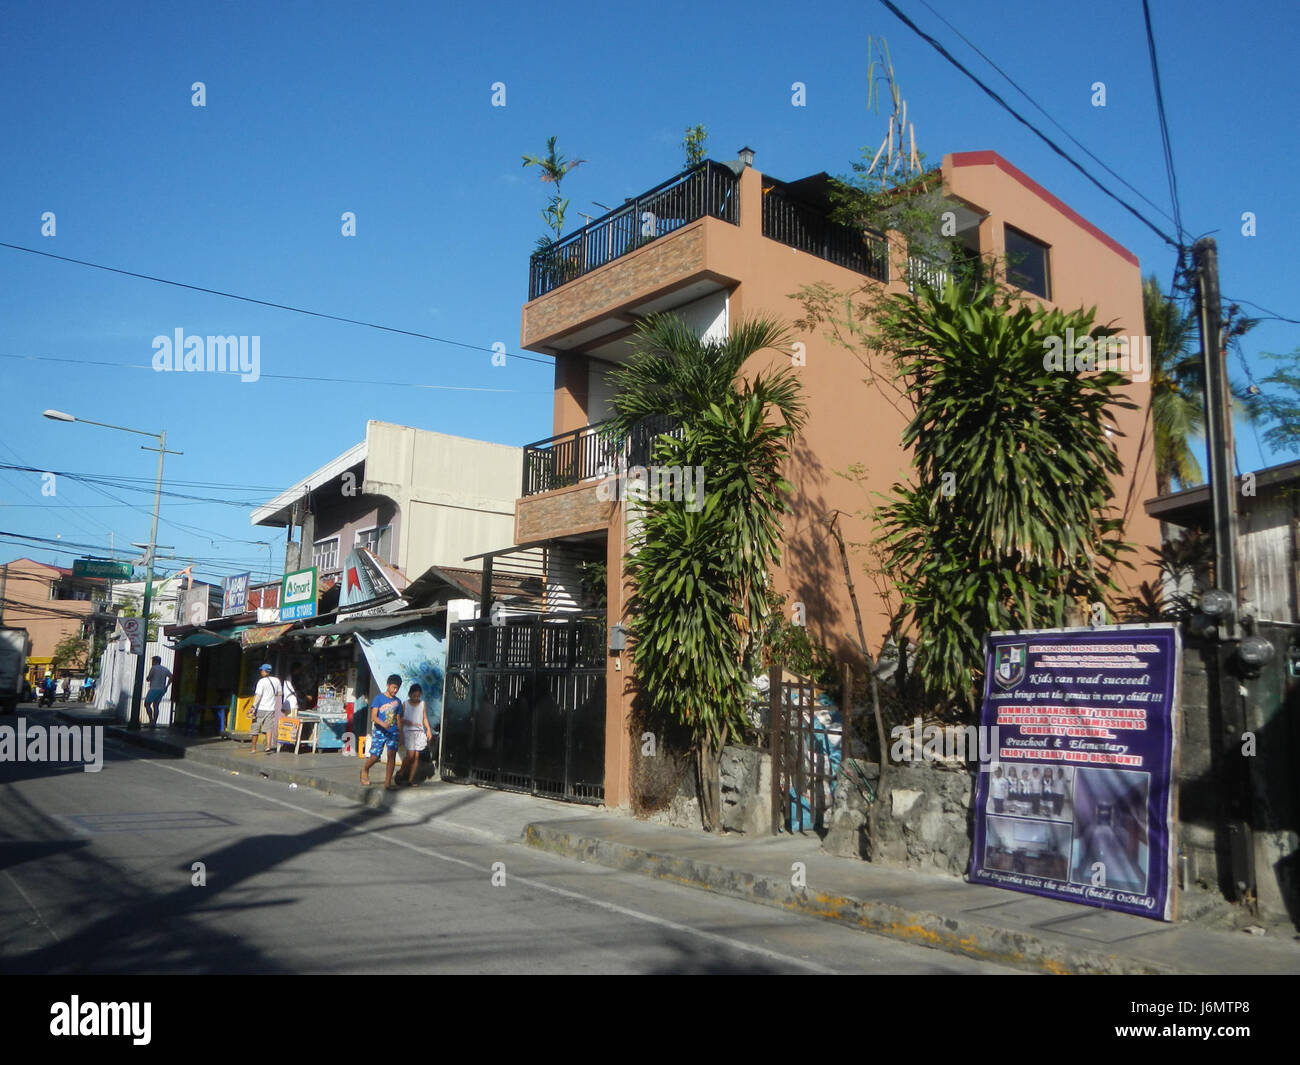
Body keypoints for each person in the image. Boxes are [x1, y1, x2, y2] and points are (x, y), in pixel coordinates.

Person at [361, 674, 403, 790]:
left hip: (393, 732)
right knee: (375, 756)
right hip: (380, 731)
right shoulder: (378, 699)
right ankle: (365, 769)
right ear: (388, 686)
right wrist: (382, 724)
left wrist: (400, 733)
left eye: (397, 688)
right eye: (393, 687)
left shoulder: (398, 702)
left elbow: (398, 718)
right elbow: (373, 716)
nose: (395, 690)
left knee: (391, 755)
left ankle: (387, 783)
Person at [397, 684, 433, 787]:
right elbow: (400, 719)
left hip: (420, 733)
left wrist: (428, 730)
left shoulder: (422, 704)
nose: (416, 698)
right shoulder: (405, 704)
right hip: (409, 733)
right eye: (414, 696)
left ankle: (411, 779)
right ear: (410, 694)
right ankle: (401, 771)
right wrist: (408, 725)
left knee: (416, 758)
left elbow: (424, 718)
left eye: (418, 696)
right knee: (410, 756)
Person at [250, 664, 284, 754]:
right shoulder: (277, 680)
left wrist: (253, 706)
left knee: (255, 728)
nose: (261, 672)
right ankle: (268, 746)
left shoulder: (261, 681)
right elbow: (280, 693)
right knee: (268, 728)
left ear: (265, 671)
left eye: (261, 670)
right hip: (271, 709)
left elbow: (258, 695)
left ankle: (253, 748)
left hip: (260, 709)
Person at [143, 656, 172, 727]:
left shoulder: (154, 668)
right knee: (156, 705)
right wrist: (167, 686)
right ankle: (154, 722)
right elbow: (171, 677)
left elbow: (148, 678)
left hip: (154, 688)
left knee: (147, 704)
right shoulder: (164, 669)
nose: (152, 662)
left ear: (155, 661)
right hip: (162, 689)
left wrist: (148, 678)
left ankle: (151, 721)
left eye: (152, 661)